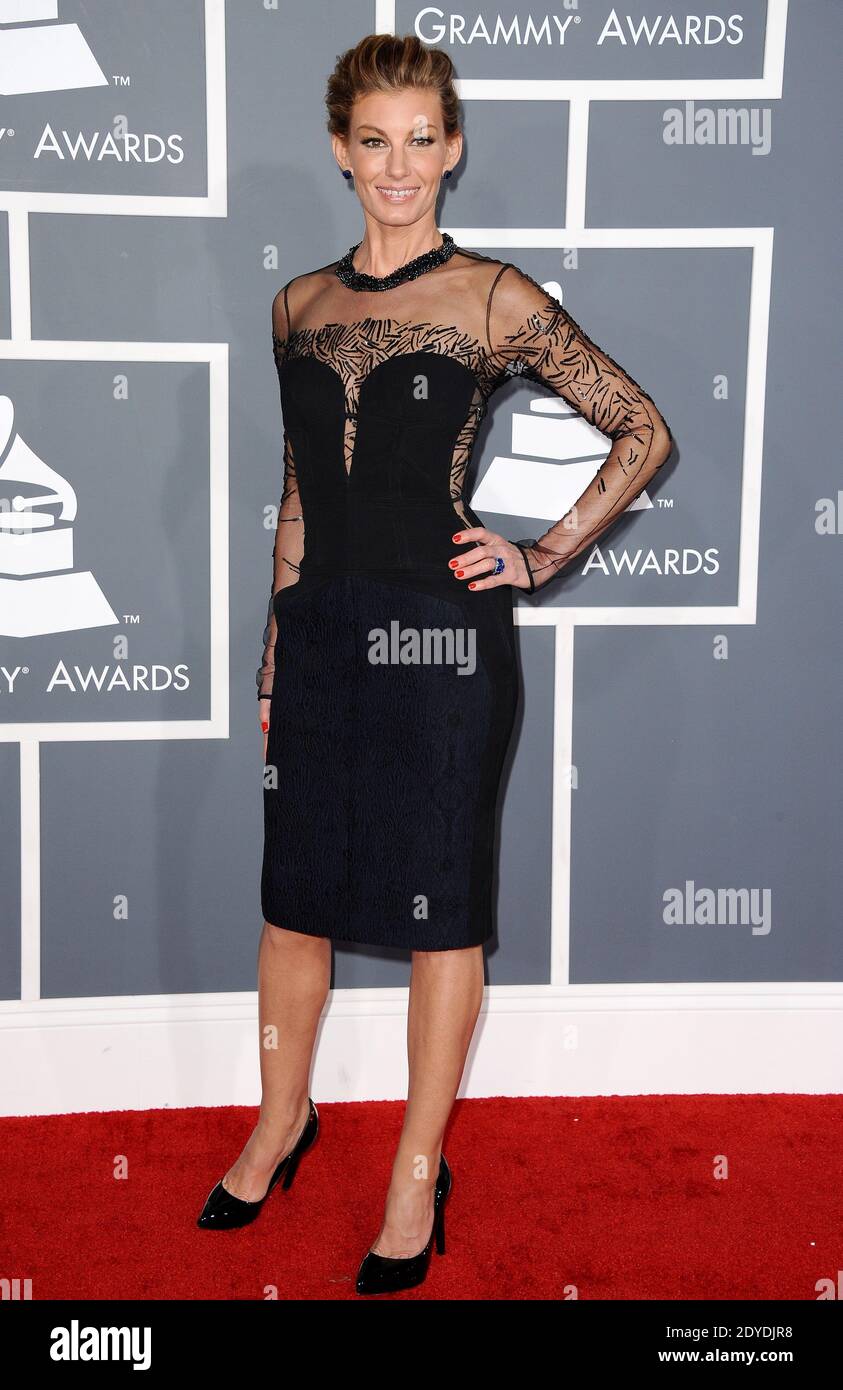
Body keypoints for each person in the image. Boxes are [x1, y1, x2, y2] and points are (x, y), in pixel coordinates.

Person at [197, 32, 673, 1296]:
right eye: (373, 141)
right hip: (321, 646)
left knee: (438, 913)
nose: (397, 166)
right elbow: (297, 494)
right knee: (292, 903)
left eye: (421, 140)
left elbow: (642, 427)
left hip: (447, 651)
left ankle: (417, 1169)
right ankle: (279, 1121)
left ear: (452, 148)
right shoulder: (298, 302)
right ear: (342, 149)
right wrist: (269, 662)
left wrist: (543, 554)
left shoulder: (492, 296)